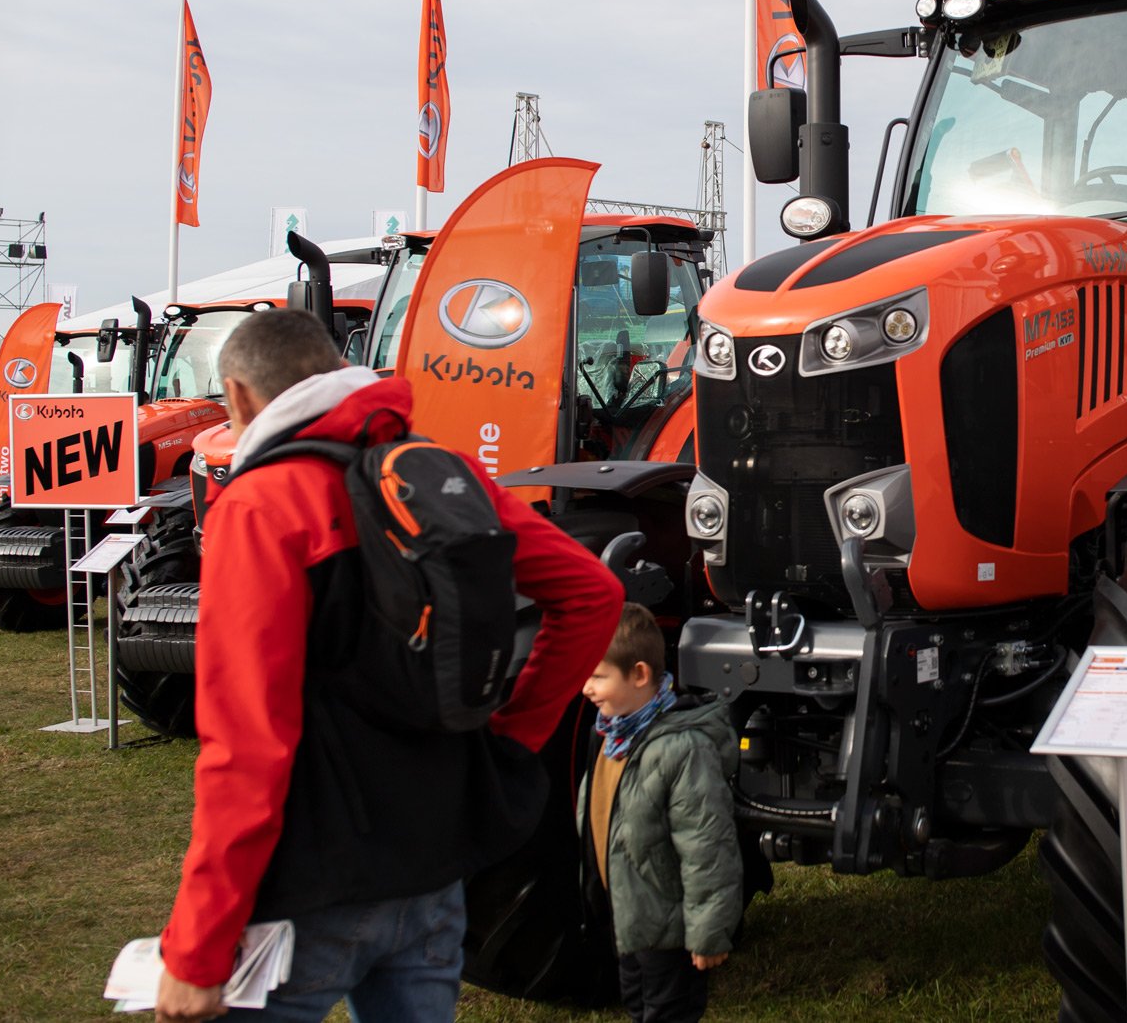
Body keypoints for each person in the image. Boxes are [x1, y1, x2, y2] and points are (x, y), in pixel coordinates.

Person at [153, 309, 623, 1023]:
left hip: (313, 886)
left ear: (242, 398)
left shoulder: (259, 505)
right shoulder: (441, 474)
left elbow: (247, 744)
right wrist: (509, 741)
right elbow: (593, 591)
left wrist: (197, 949)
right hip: (435, 874)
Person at [582, 602, 743, 1023]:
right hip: (634, 919)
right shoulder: (613, 740)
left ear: (639, 674)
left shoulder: (681, 750)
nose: (586, 688)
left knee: (668, 1012)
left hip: (671, 930)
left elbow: (707, 847)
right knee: (638, 1005)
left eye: (598, 676)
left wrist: (708, 933)